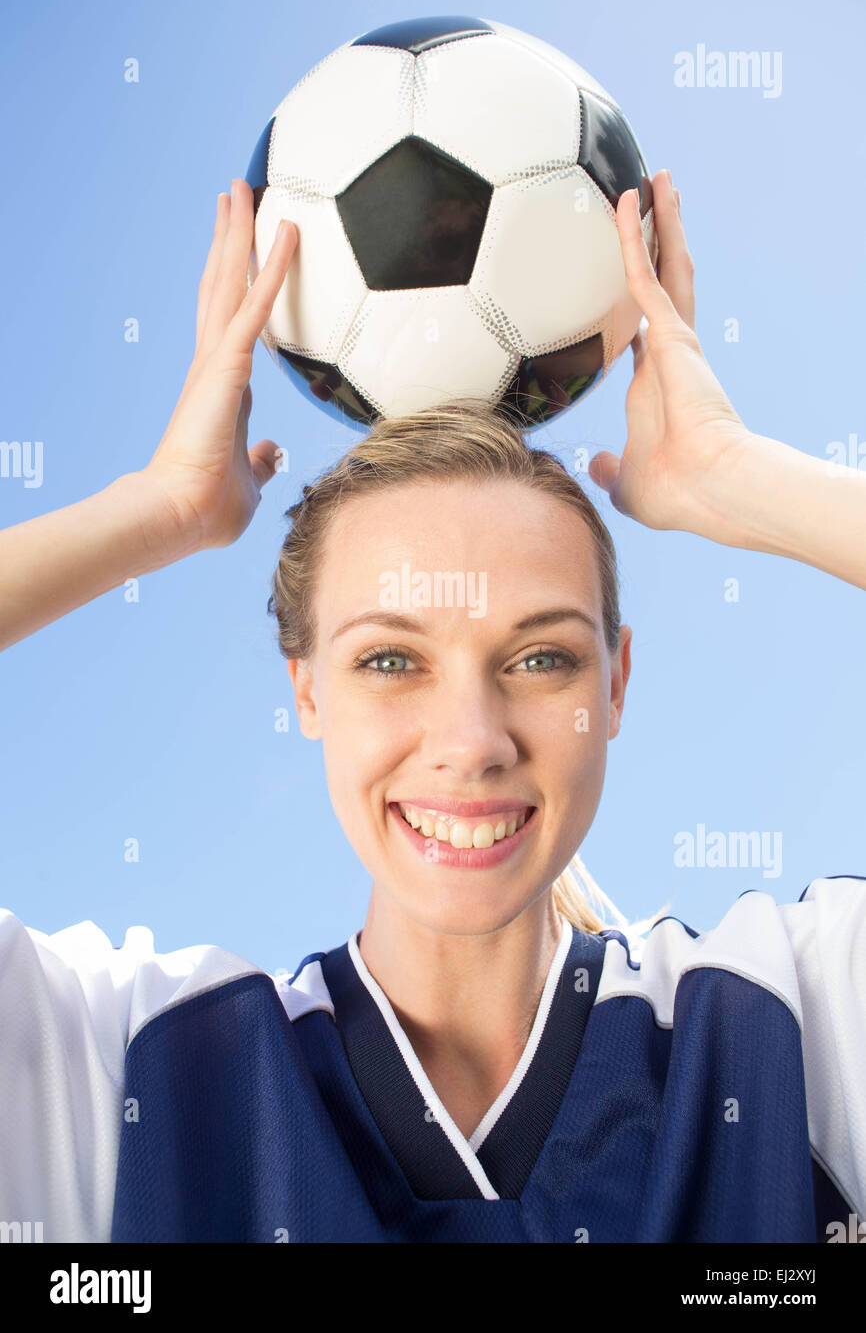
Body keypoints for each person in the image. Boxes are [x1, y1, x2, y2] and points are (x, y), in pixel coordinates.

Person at [1, 174, 864, 1244]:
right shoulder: (132, 1071)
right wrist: (157, 509)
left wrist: (738, 475)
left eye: (541, 655)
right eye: (390, 661)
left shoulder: (792, 1026)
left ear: (616, 682)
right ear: (304, 686)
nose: (470, 742)